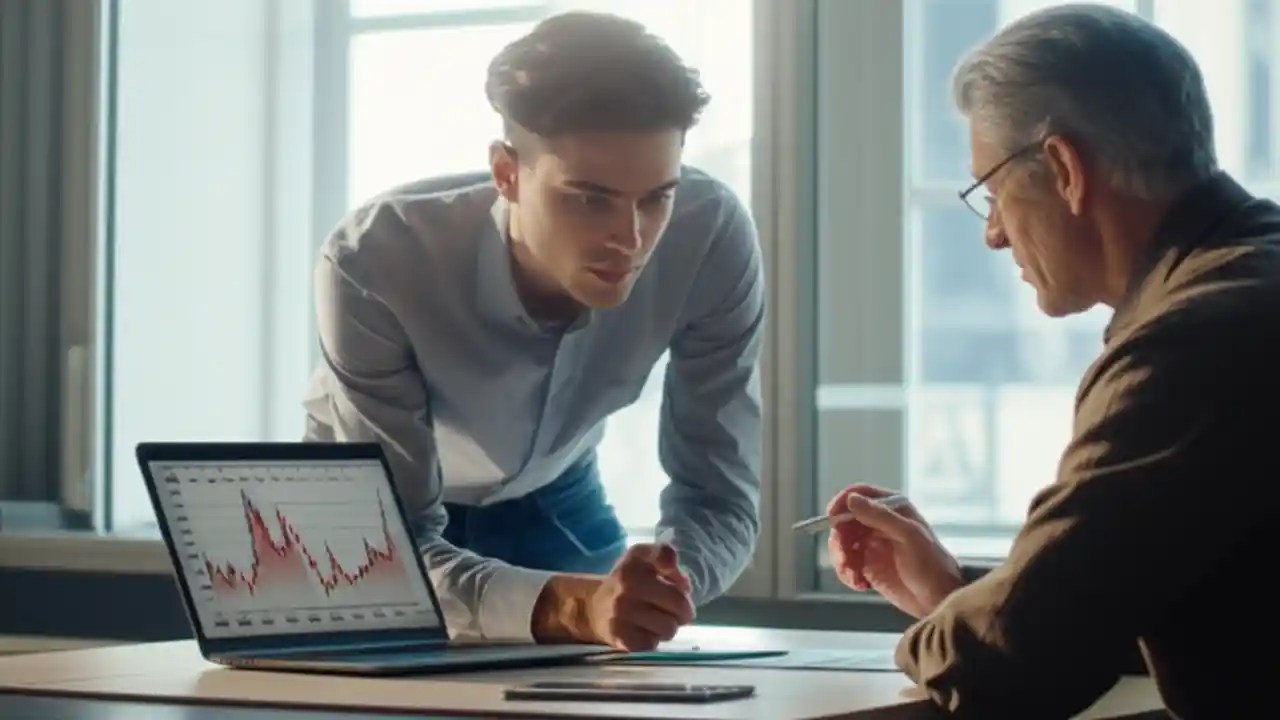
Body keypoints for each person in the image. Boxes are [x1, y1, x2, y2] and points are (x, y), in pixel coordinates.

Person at [824, 4, 1279, 718]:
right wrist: (958, 593)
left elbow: (1013, 666)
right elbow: (1165, 598)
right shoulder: (1252, 286)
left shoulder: (1187, 344)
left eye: (992, 191)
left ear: (1064, 167)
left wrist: (935, 636)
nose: (995, 235)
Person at [302, 11, 764, 653]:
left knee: (612, 675)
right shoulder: (376, 259)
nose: (630, 240)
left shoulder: (709, 234)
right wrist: (578, 608)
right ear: (507, 173)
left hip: (553, 494)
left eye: (656, 197)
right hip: (370, 513)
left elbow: (719, 495)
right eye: (590, 198)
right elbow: (393, 544)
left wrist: (664, 585)